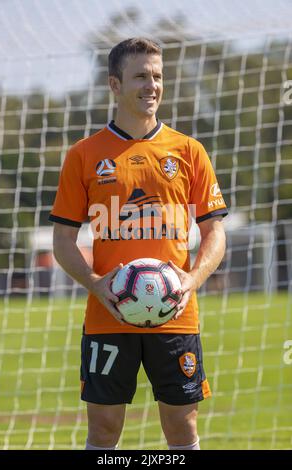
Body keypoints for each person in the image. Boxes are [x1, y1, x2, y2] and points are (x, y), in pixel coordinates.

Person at [49, 37, 227, 451]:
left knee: (183, 427)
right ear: (114, 84)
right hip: (109, 310)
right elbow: (62, 240)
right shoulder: (84, 154)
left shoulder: (189, 151)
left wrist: (192, 280)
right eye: (141, 76)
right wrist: (95, 283)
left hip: (176, 313)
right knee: (104, 430)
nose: (152, 86)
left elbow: (215, 231)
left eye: (158, 76)